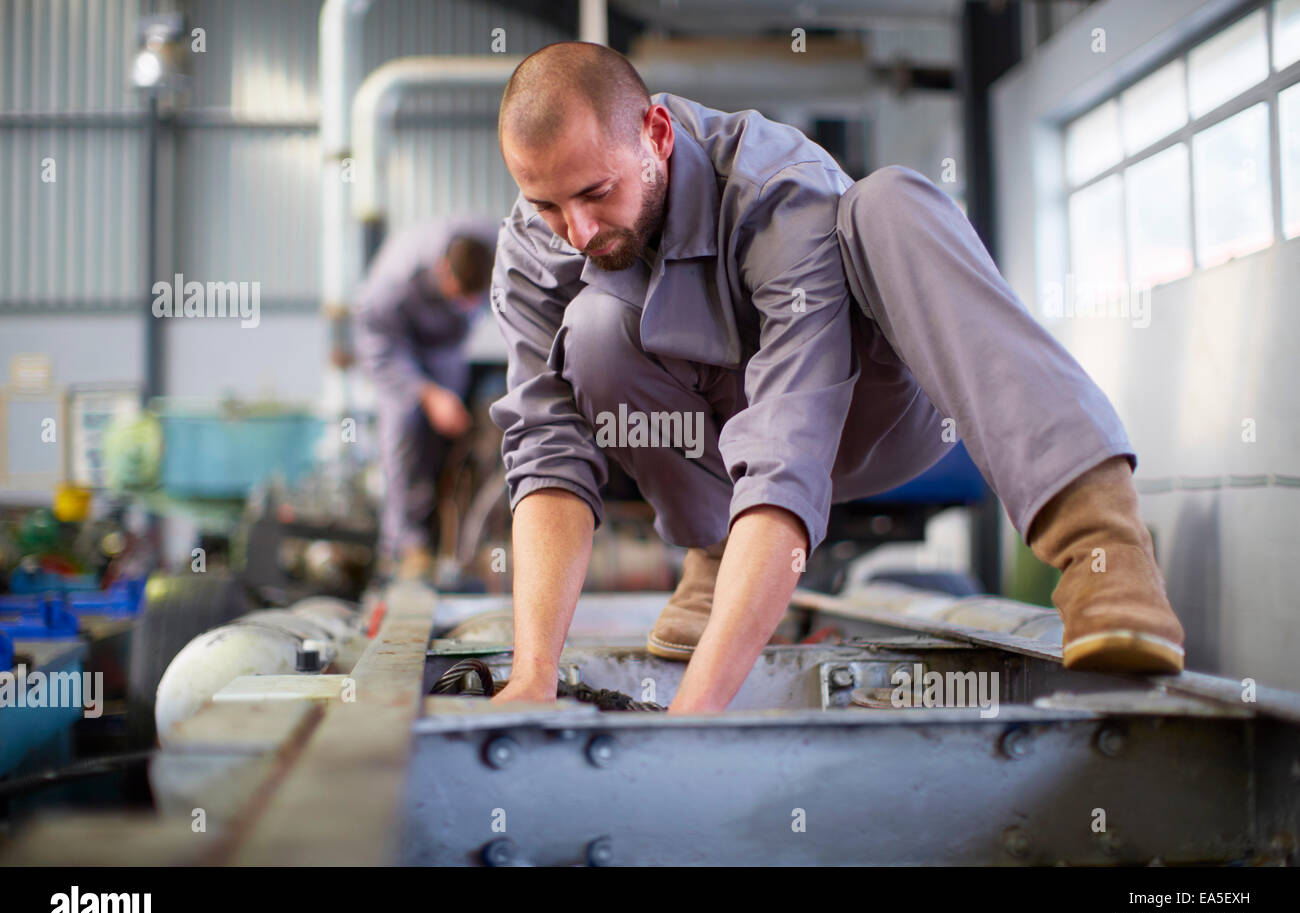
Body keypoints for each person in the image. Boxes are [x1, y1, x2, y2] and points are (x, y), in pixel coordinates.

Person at [487, 42, 1185, 713]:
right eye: (547, 207)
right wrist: (532, 674)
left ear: (658, 134)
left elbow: (790, 444)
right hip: (725, 455)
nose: (575, 229)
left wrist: (698, 711)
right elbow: (545, 454)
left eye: (595, 193)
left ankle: (1103, 544)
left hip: (873, 416)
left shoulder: (776, 188)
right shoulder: (534, 248)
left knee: (892, 203)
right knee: (597, 330)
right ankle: (718, 552)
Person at [353, 219, 496, 579]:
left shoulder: (501, 245)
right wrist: (427, 394)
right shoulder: (392, 282)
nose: (469, 307)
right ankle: (405, 545)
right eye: (461, 296)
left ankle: (453, 541)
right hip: (399, 352)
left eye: (473, 300)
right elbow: (377, 351)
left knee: (458, 427)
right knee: (406, 426)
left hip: (447, 351)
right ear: (441, 269)